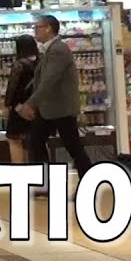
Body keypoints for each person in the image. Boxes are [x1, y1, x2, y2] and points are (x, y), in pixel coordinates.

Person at [19, 15, 92, 187]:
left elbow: (49, 80)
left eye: (37, 27)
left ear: (48, 28)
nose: (34, 31)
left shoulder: (58, 49)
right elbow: (42, 79)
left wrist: (30, 103)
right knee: (39, 141)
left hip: (60, 109)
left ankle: (84, 182)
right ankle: (46, 184)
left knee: (71, 146)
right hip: (52, 109)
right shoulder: (50, 50)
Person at [4, 35, 40, 163]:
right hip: (37, 106)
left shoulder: (19, 64)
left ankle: (19, 170)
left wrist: (8, 104)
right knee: (33, 140)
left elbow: (12, 87)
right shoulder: (40, 61)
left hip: (19, 107)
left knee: (14, 140)